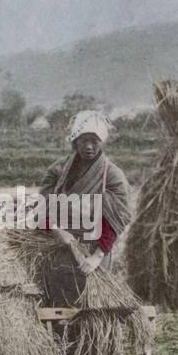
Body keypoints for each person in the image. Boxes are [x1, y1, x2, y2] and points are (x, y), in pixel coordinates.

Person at [38, 109, 132, 277]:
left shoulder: (112, 176)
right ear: (75, 141)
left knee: (92, 299)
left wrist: (96, 257)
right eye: (83, 140)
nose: (89, 146)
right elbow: (42, 207)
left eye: (94, 141)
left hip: (93, 252)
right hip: (57, 245)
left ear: (102, 141)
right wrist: (58, 231)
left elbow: (116, 219)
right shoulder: (58, 170)